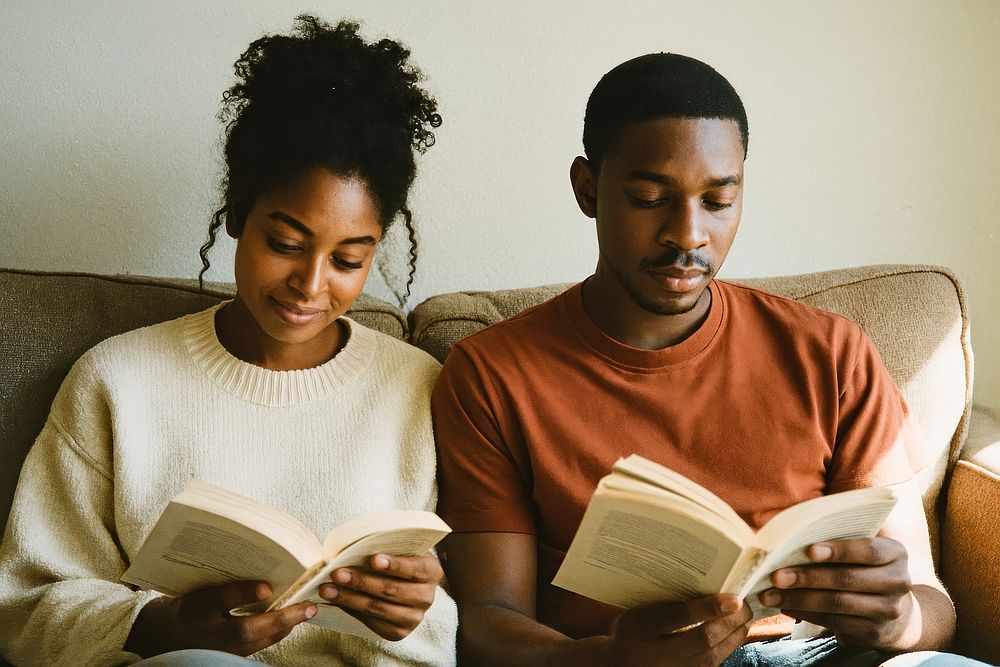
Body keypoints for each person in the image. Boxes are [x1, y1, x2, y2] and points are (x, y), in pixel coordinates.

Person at [432, 54, 982, 666]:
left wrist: (897, 620)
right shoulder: (492, 373)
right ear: (587, 188)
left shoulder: (830, 352)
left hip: (819, 653)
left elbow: (932, 606)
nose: (688, 234)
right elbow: (489, 623)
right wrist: (608, 660)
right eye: (649, 198)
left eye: (718, 201)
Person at [0, 15, 456, 666]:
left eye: (348, 260)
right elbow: (23, 607)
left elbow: (455, 627)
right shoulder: (118, 381)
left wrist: (416, 612)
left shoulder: (418, 387)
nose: (310, 285)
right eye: (286, 243)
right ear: (239, 211)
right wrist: (161, 625)